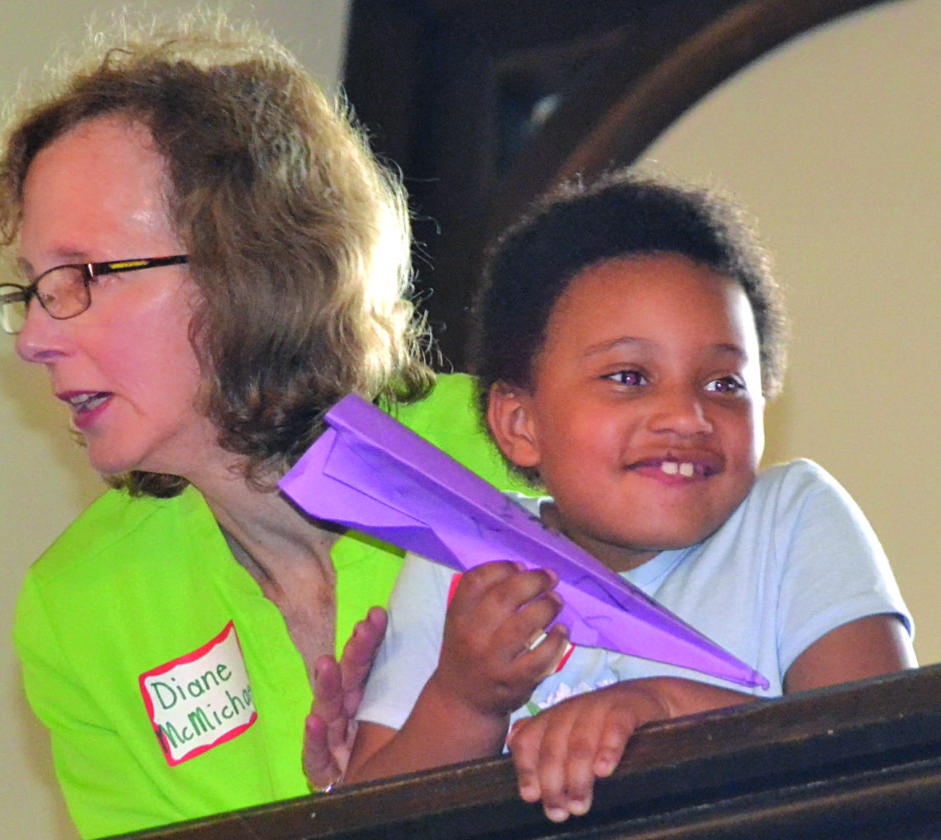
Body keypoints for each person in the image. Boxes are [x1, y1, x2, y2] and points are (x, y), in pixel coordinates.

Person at [0, 13, 528, 838]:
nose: (33, 337)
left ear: (247, 262)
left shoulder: (523, 455)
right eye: (33, 288)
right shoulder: (83, 610)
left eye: (82, 276)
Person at [344, 171, 917, 821]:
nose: (687, 416)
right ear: (520, 424)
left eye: (724, 383)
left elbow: (883, 760)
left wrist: (665, 709)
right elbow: (368, 820)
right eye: (629, 376)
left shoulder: (793, 521)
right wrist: (463, 702)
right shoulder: (461, 563)